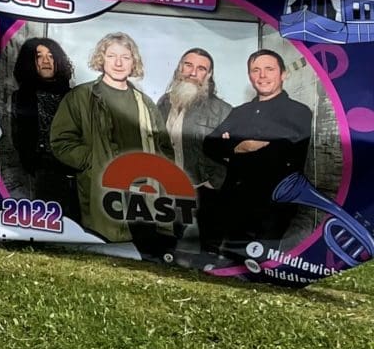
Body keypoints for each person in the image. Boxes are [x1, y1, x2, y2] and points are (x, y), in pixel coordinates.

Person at [47, 30, 172, 244]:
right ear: (101, 59)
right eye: (112, 55)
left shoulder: (145, 103)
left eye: (125, 57)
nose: (118, 62)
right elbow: (61, 141)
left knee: (146, 254)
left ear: (134, 63)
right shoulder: (81, 97)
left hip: (145, 192)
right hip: (103, 188)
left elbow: (163, 146)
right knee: (107, 253)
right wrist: (91, 161)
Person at [201, 49, 313, 252]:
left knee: (259, 267)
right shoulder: (240, 112)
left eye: (269, 69)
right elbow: (210, 144)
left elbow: (281, 154)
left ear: (283, 74)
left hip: (272, 208)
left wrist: (233, 147)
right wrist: (240, 146)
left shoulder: (299, 112)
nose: (262, 76)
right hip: (233, 203)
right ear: (250, 76)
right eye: (256, 70)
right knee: (227, 264)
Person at [7, 36, 79, 215]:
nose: (46, 61)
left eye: (51, 56)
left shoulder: (75, 96)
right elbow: (20, 138)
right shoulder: (22, 97)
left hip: (77, 168)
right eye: (39, 56)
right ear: (30, 62)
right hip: (41, 171)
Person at [157, 47, 231, 189]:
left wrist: (211, 185)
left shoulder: (223, 111)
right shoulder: (164, 102)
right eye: (188, 65)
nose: (193, 73)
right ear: (180, 68)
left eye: (201, 68)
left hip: (200, 191)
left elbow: (232, 159)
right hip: (164, 188)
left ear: (208, 75)